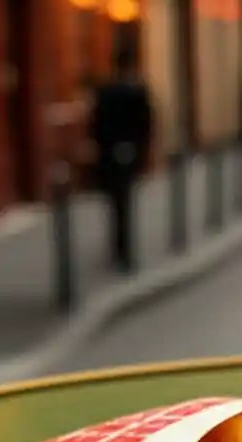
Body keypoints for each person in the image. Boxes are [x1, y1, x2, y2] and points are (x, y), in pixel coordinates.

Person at [89, 48, 152, 273]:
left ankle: (119, 249)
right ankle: (125, 252)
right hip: (130, 152)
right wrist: (143, 152)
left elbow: (96, 124)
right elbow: (146, 126)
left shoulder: (104, 91)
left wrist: (103, 147)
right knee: (125, 203)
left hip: (110, 154)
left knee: (116, 203)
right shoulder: (137, 91)